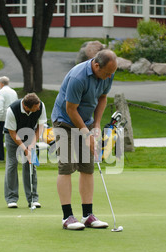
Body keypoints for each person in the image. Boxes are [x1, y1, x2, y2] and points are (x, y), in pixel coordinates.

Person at [51, 49, 118, 230]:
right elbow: (71, 109)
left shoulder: (108, 74)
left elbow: (102, 98)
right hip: (64, 121)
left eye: (112, 73)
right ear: (96, 65)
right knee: (66, 166)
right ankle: (67, 217)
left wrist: (96, 125)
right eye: (107, 73)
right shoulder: (78, 78)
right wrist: (86, 134)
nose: (109, 77)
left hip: (86, 121)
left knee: (88, 166)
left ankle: (88, 215)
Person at [4, 93, 47, 208]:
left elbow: (40, 127)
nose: (38, 108)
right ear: (27, 107)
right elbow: (13, 133)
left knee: (30, 164)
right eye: (36, 107)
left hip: (30, 134)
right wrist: (25, 149)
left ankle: (33, 198)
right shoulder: (12, 110)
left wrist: (32, 145)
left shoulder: (41, 106)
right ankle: (11, 198)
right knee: (12, 164)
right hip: (12, 136)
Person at [0, 76, 18, 162]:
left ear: (1, 83)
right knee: (13, 137)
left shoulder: (1, 92)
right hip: (13, 118)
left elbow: (0, 106)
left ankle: (0, 157)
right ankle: (14, 156)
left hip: (3, 118)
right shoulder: (13, 92)